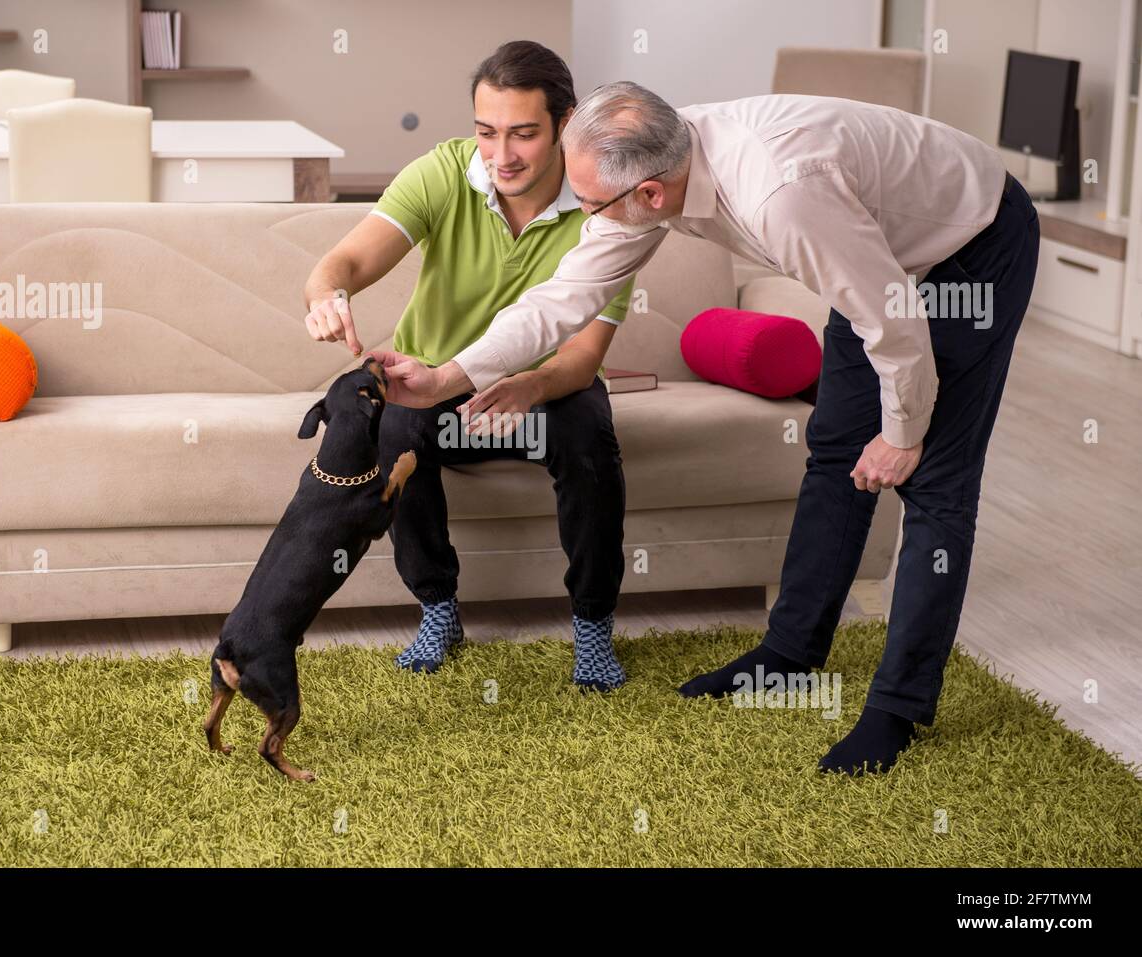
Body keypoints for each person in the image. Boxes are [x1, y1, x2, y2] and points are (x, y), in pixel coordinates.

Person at [371, 82, 1040, 774]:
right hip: (875, 249)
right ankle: (790, 654)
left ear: (651, 196)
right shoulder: (658, 159)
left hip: (973, 242)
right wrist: (448, 378)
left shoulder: (780, 194)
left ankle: (898, 707)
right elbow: (566, 297)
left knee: (934, 479)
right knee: (835, 450)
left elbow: (894, 324)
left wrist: (902, 434)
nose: (588, 215)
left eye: (592, 204)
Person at [303, 42, 634, 691]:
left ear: (565, 124)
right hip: (432, 386)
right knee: (395, 428)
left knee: (589, 435)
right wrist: (328, 297)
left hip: (543, 390)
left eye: (524, 134)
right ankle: (439, 607)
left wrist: (525, 384)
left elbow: (582, 356)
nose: (501, 155)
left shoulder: (604, 204)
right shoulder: (446, 172)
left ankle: (593, 626)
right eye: (487, 132)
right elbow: (344, 262)